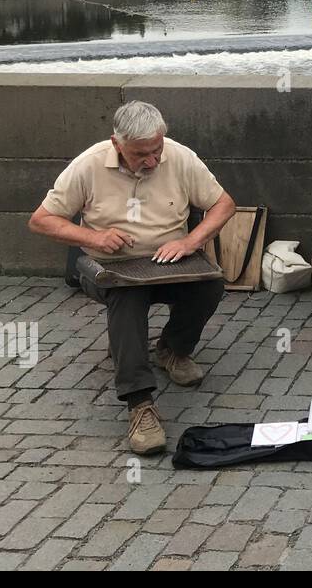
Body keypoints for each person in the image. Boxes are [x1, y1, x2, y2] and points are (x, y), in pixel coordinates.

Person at [27, 100, 236, 455]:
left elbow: (223, 204)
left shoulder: (179, 156)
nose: (152, 161)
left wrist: (190, 240)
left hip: (168, 262)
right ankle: (140, 403)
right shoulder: (89, 164)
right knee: (127, 298)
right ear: (116, 143)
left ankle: (171, 349)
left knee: (211, 284)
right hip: (109, 266)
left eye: (156, 150)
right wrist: (93, 237)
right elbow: (41, 220)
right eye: (141, 154)